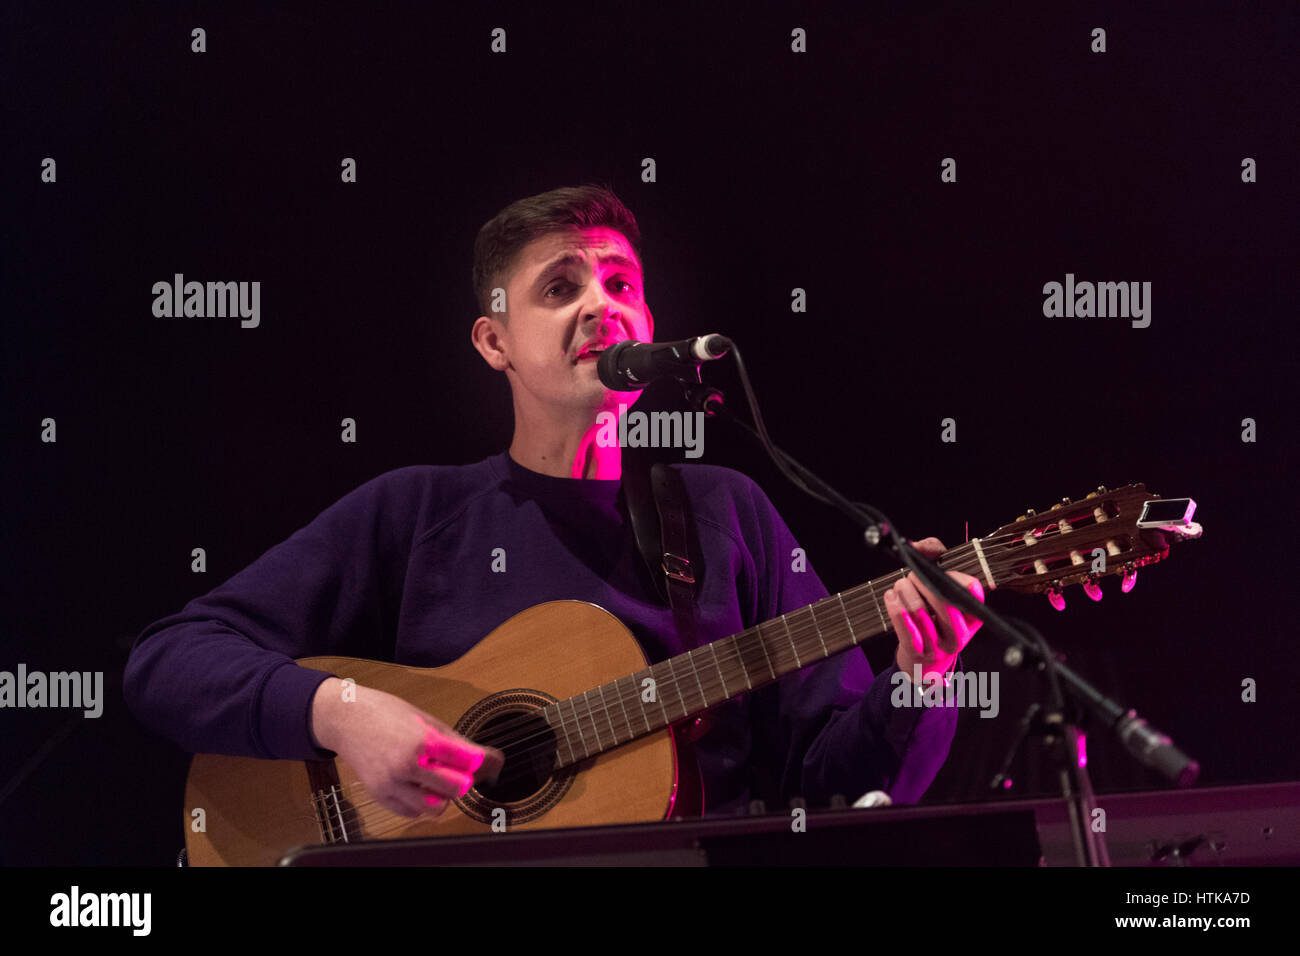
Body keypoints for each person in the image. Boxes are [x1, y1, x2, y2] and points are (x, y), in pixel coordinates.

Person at [124, 184, 985, 826]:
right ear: (493, 339)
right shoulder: (418, 511)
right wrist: (342, 713)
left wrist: (922, 678)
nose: (600, 307)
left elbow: (830, 793)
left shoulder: (729, 511)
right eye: (560, 287)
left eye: (620, 284)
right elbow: (168, 660)